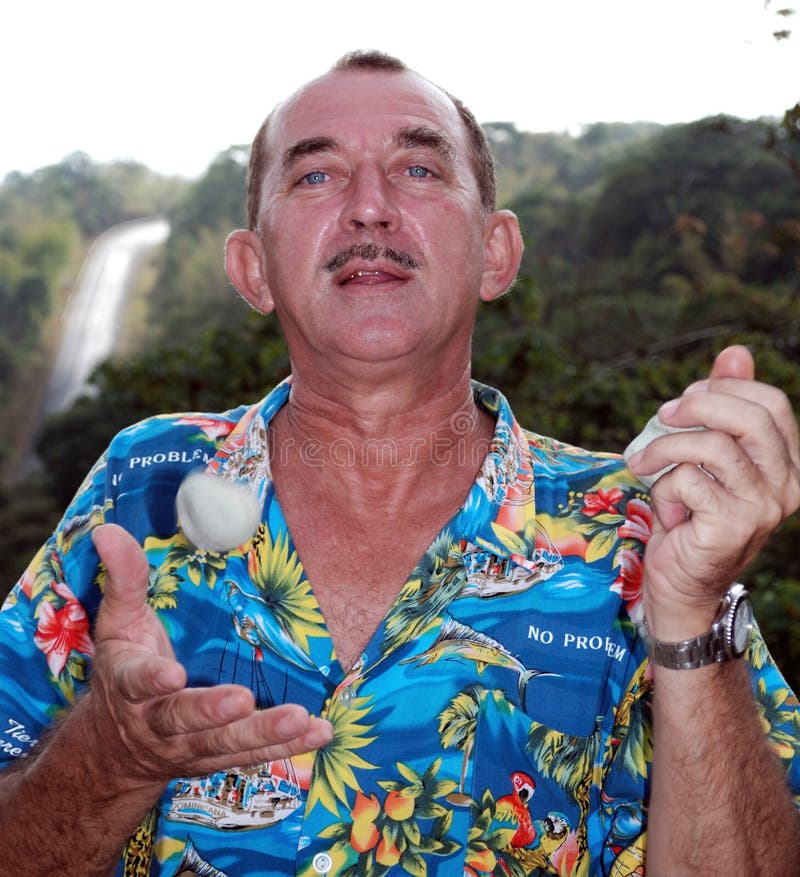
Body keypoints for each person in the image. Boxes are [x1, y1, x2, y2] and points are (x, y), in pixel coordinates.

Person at [0, 50, 798, 877]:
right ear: (253, 268)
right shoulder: (146, 484)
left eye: (418, 168)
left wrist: (696, 619)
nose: (369, 209)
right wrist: (109, 756)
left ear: (496, 253)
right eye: (315, 178)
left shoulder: (639, 531)